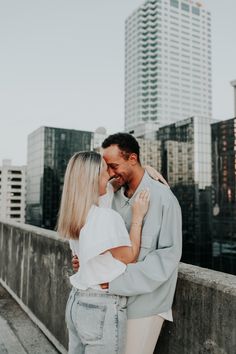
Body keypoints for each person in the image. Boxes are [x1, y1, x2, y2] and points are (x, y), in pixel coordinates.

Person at [73, 133, 182, 354]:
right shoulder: (109, 195)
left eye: (114, 166)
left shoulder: (164, 199)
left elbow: (167, 259)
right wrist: (88, 260)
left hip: (145, 306)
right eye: (107, 168)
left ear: (132, 159)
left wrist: (113, 281)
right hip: (110, 305)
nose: (110, 173)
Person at [57, 151, 150, 354]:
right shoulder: (106, 217)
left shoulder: (77, 214)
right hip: (101, 306)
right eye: (103, 171)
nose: (108, 174)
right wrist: (138, 217)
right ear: (91, 179)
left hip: (76, 303)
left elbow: (109, 187)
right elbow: (130, 256)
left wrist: (145, 171)